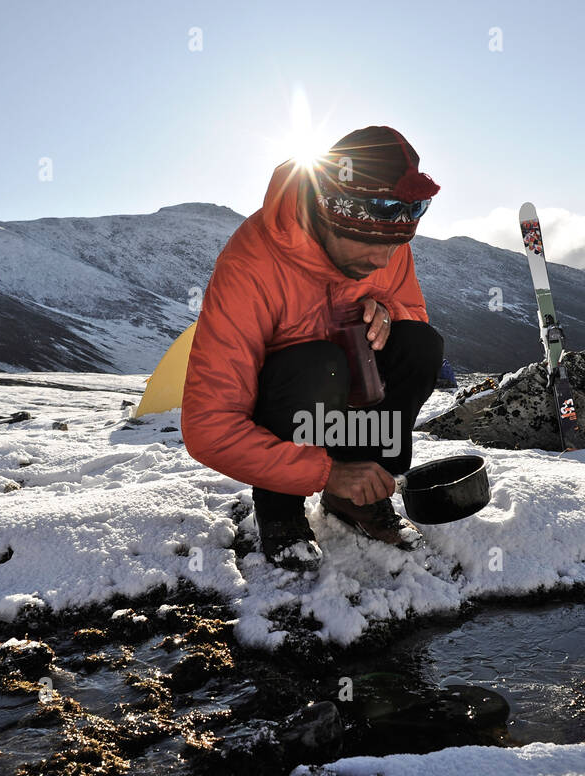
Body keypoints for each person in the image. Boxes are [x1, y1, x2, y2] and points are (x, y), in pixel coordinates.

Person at [181, 126, 445, 571]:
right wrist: (324, 473)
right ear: (329, 215)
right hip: (286, 401)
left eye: (397, 244)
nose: (384, 261)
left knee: (419, 343)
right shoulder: (250, 265)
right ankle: (281, 511)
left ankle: (360, 497)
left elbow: (413, 312)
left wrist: (388, 311)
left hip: (347, 401)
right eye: (372, 245)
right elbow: (209, 426)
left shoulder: (387, 240)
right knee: (316, 363)